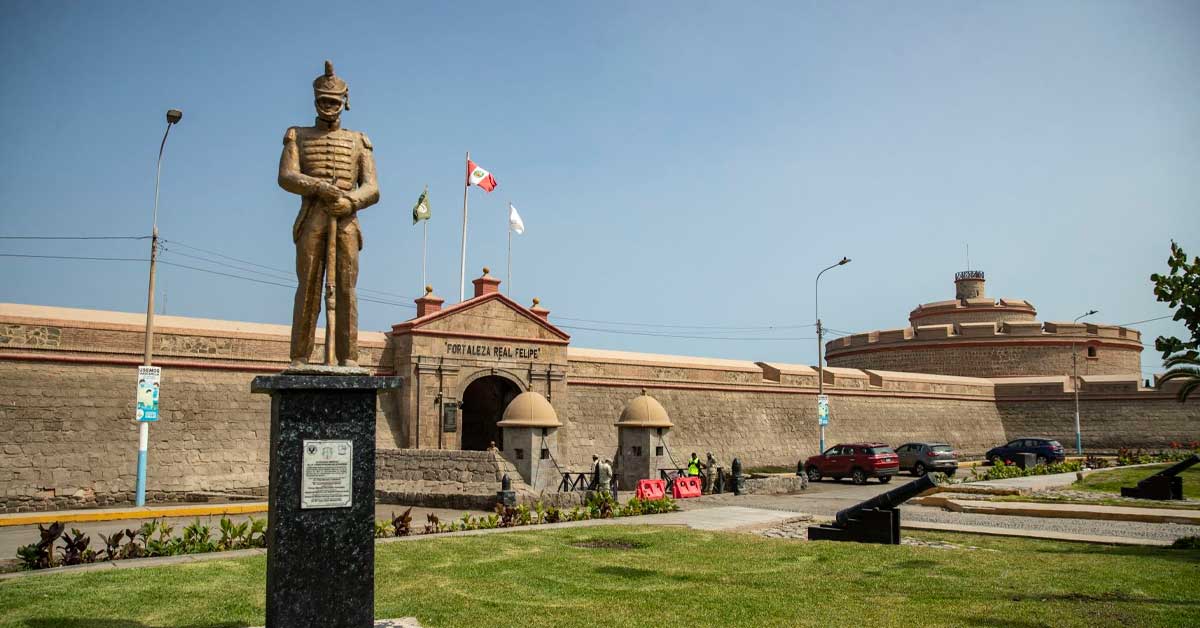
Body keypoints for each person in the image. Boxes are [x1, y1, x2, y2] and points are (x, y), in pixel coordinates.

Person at [278, 60, 380, 368]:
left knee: (346, 290)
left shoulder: (358, 141)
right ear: (315, 101)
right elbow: (286, 176)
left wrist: (350, 203)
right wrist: (319, 187)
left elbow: (372, 188)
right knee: (308, 287)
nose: (328, 107)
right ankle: (300, 355)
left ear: (345, 102)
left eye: (334, 102)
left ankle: (348, 356)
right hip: (312, 218)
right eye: (323, 101)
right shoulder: (298, 136)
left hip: (346, 220)